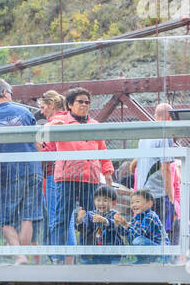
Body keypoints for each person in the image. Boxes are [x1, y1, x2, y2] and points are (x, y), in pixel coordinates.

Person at [50, 87, 114, 263]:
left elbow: (102, 149)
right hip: (67, 177)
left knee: (91, 218)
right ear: (70, 104)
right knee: (61, 217)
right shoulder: (61, 120)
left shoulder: (94, 125)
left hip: (90, 177)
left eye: (87, 102)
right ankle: (59, 256)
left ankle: (88, 256)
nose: (84, 105)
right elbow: (46, 133)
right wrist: (51, 127)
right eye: (80, 101)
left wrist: (108, 172)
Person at [0, 78, 40, 263]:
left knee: (6, 221)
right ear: (5, 93)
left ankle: (20, 256)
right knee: (28, 217)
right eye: (11, 92)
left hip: (8, 171)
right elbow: (38, 143)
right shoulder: (24, 111)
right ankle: (25, 256)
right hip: (32, 168)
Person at [128, 102, 178, 238]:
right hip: (158, 194)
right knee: (162, 233)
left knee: (145, 232)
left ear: (156, 116)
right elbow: (165, 168)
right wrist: (171, 197)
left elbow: (133, 165)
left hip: (142, 193)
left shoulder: (146, 135)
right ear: (170, 117)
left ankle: (147, 258)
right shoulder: (165, 134)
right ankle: (163, 258)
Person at [36, 90, 65, 248]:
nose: (41, 111)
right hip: (68, 174)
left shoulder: (49, 125)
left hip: (54, 175)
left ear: (52, 105)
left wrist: (36, 145)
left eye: (43, 107)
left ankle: (57, 257)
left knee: (55, 218)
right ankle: (68, 258)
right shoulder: (69, 119)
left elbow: (47, 155)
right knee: (66, 219)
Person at [113, 188, 168, 262]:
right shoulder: (136, 218)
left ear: (149, 204)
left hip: (161, 250)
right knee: (133, 239)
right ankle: (144, 260)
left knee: (138, 241)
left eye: (137, 202)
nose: (134, 205)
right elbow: (127, 233)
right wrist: (118, 225)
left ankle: (155, 260)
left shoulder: (150, 216)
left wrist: (126, 224)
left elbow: (139, 234)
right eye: (132, 203)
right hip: (149, 249)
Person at [74, 184, 124, 264]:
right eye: (98, 200)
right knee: (85, 232)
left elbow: (120, 228)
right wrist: (79, 220)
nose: (101, 203)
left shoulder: (115, 215)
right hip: (94, 252)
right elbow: (83, 229)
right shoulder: (90, 214)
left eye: (105, 200)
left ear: (113, 202)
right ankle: (86, 257)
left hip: (111, 254)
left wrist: (105, 221)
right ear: (94, 201)